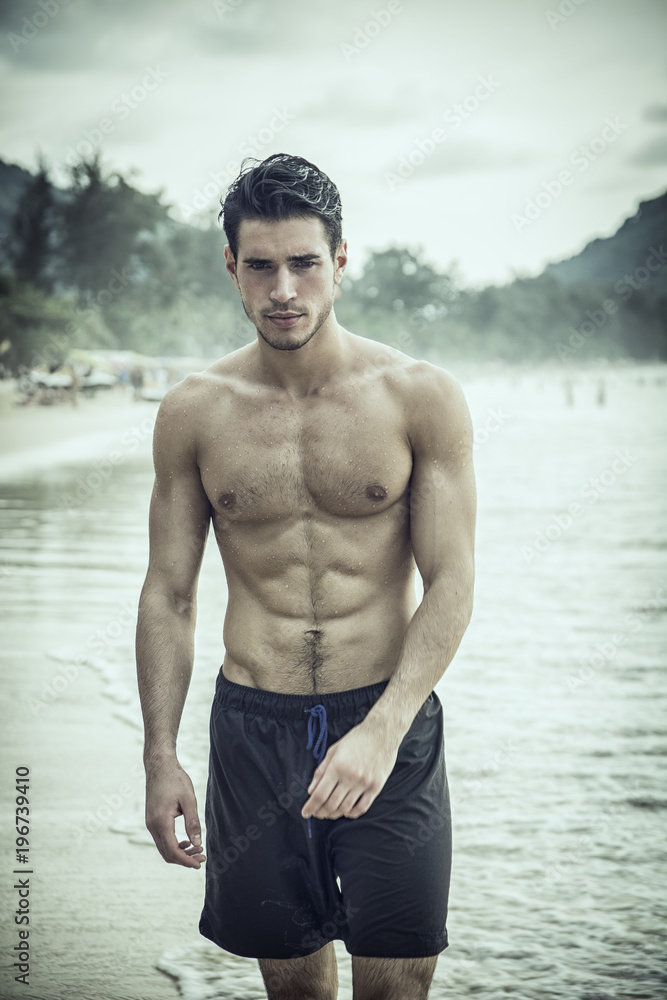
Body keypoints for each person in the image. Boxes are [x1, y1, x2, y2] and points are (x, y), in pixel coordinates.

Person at [136, 153, 476, 1000]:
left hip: (386, 723)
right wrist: (159, 758)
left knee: (396, 983)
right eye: (260, 266)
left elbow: (452, 581)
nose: (282, 289)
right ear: (231, 266)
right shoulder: (194, 411)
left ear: (340, 260)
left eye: (303, 263)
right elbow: (168, 595)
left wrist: (384, 730)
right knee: (293, 989)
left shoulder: (418, 397)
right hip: (254, 733)